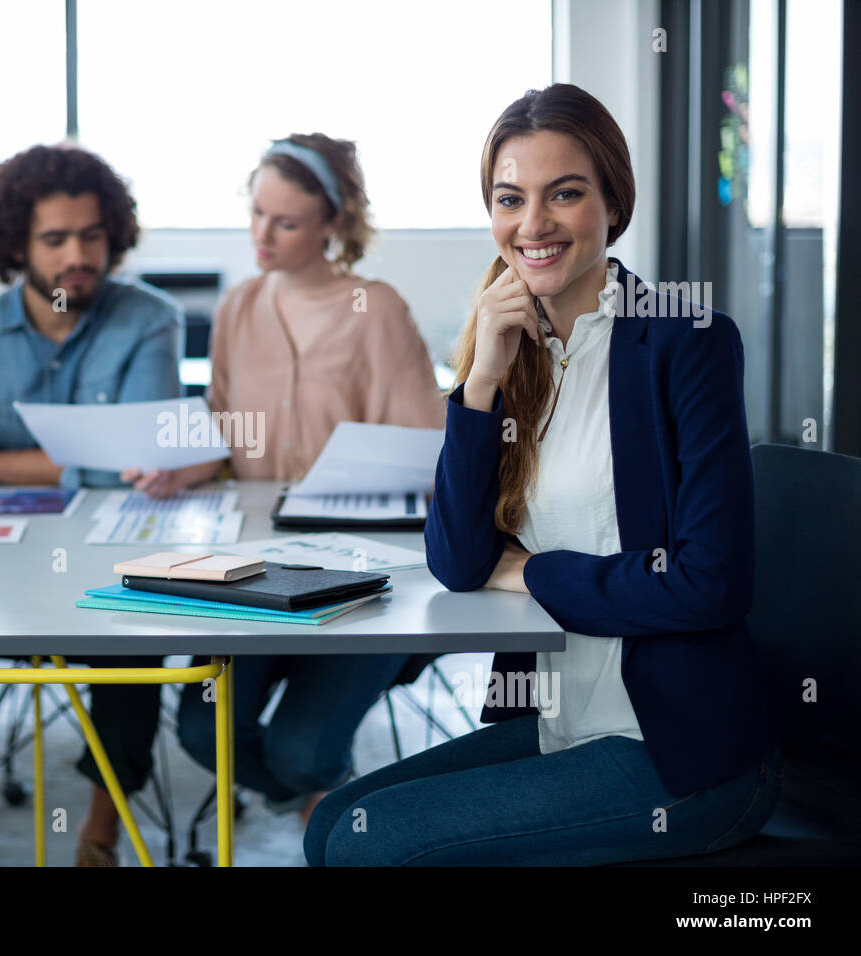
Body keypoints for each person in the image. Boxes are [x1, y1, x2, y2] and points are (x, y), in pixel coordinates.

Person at [304, 84, 784, 866]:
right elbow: (459, 564)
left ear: (611, 204)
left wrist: (537, 572)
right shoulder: (514, 352)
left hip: (674, 750)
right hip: (559, 720)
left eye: (565, 194)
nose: (533, 225)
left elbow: (712, 584)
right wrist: (481, 382)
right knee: (336, 824)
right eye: (510, 198)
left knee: (377, 844)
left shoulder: (683, 343)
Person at [125, 133, 446, 826]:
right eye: (257, 213)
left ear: (333, 224)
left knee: (302, 751)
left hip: (361, 570)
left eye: (287, 222)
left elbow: (427, 445)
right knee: (200, 732)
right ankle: (317, 787)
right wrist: (181, 463)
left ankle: (319, 782)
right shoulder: (239, 307)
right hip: (255, 563)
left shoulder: (375, 309)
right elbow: (224, 423)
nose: (261, 235)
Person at [0, 142, 183, 866]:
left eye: (93, 235)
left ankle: (102, 828)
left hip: (110, 555)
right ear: (17, 245)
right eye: (55, 239)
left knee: (138, 630)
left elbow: (132, 460)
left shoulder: (150, 321)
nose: (79, 254)